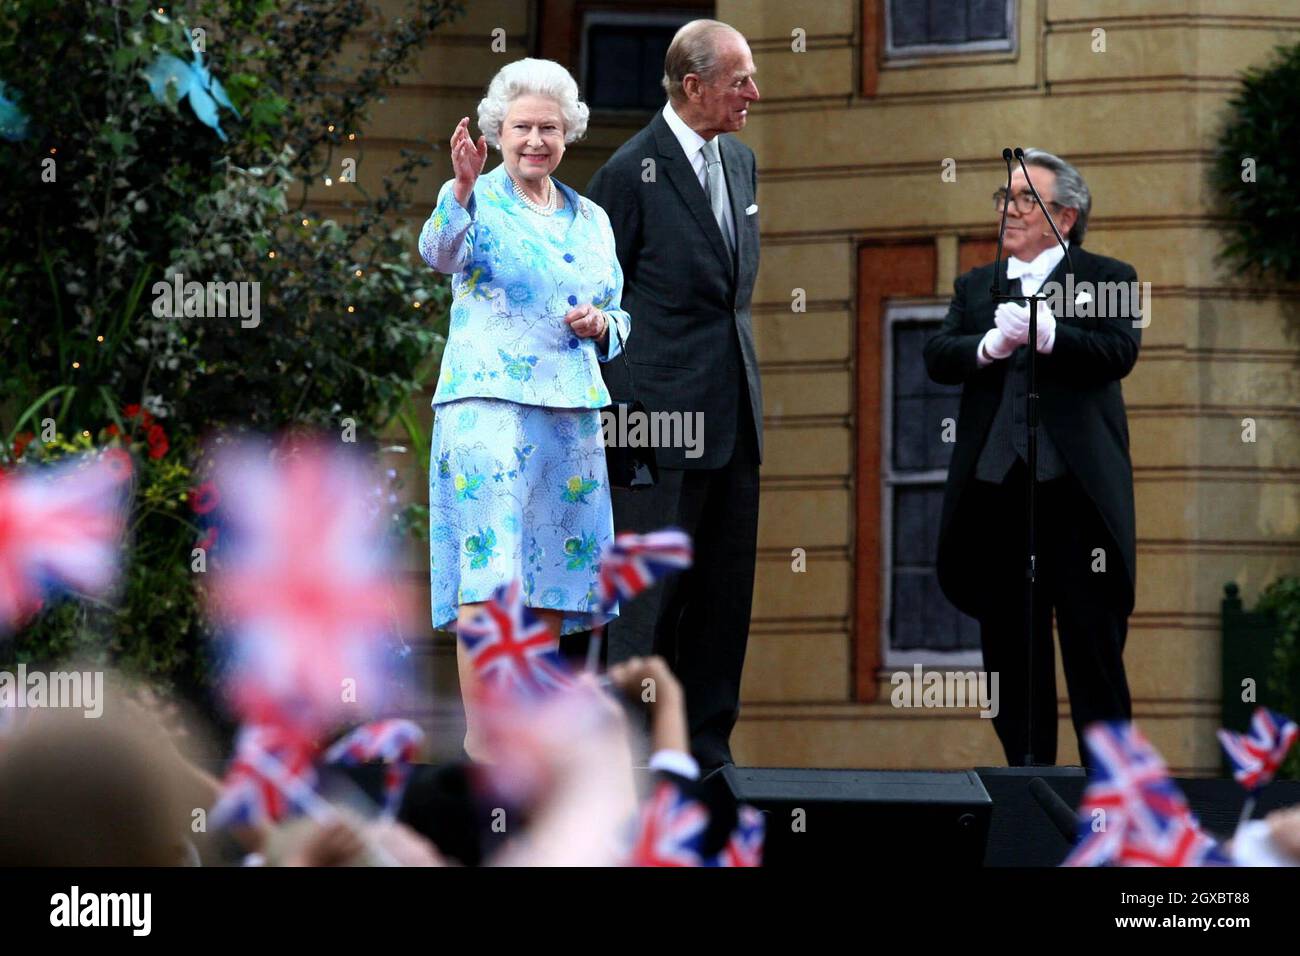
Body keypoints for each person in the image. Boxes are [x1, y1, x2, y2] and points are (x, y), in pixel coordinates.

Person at [418, 58, 631, 760]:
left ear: (567, 133)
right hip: (487, 408)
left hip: (568, 411)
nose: (534, 140)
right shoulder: (476, 202)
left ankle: (529, 752)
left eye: (548, 127)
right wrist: (460, 188)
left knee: (550, 581)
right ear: (495, 133)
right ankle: (486, 749)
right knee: (492, 572)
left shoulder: (593, 218)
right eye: (520, 128)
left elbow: (620, 315)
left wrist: (603, 326)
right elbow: (438, 254)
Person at [923, 149, 1140, 767]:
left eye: (1024, 199)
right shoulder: (976, 284)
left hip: (1077, 502)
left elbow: (1118, 349)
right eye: (1005, 198)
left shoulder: (1107, 277)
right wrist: (988, 345)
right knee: (1010, 657)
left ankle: (1111, 803)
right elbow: (939, 354)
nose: (1009, 210)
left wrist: (1052, 336)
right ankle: (1027, 793)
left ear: (1064, 217)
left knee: (1093, 654)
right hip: (998, 498)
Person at [585, 19, 762, 772]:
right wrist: (626, 431)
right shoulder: (630, 172)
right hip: (656, 429)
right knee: (647, 608)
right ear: (693, 87)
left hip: (735, 420)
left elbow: (730, 301)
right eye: (739, 80)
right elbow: (598, 308)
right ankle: (624, 764)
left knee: (722, 605)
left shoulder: (743, 164)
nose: (754, 92)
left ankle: (709, 758)